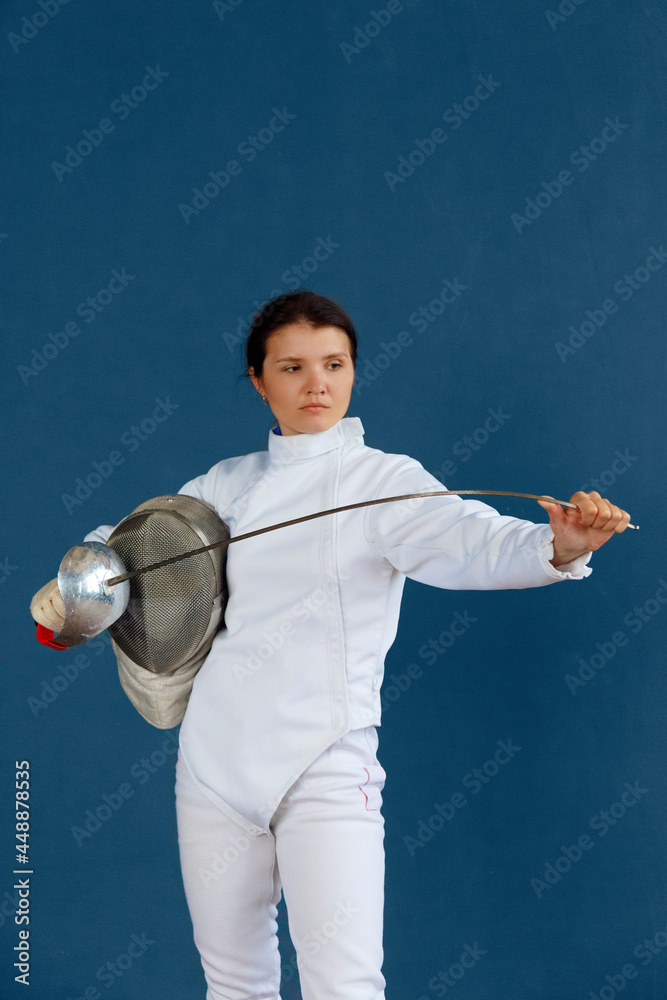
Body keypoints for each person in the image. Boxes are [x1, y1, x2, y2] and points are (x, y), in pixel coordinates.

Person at [31, 290, 631, 1000]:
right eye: (291, 367)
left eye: (333, 363)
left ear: (352, 371)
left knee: (343, 987)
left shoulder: (383, 482)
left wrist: (556, 546)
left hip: (325, 764)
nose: (315, 383)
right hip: (213, 766)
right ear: (259, 381)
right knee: (232, 987)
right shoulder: (223, 486)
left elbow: (472, 542)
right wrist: (79, 586)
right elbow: (132, 550)